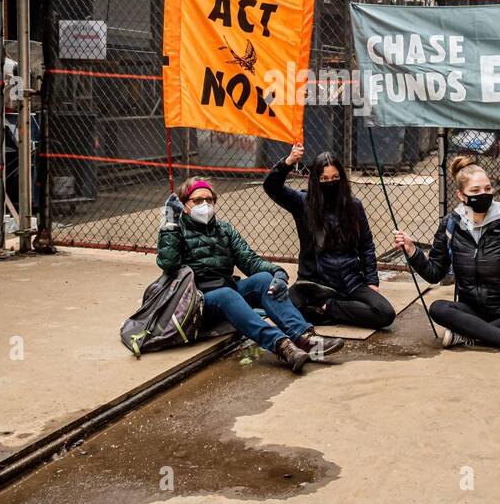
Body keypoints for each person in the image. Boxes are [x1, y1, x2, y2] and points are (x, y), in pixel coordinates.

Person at [156, 176, 344, 372]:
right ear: (184, 204)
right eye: (197, 200)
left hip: (228, 290)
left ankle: (306, 339)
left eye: (209, 200)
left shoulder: (224, 229)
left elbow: (250, 261)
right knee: (226, 294)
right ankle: (283, 346)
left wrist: (278, 273)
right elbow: (168, 263)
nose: (205, 204)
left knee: (263, 280)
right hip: (198, 300)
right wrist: (170, 224)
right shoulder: (176, 229)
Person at [394, 155, 500, 354]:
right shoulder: (450, 225)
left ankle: (469, 335)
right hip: (471, 310)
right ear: (461, 195)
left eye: (487, 189)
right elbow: (435, 273)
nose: (484, 194)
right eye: (475, 191)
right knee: (438, 308)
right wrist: (413, 251)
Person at [263, 142, 396, 329]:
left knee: (385, 313)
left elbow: (366, 245)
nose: (330, 182)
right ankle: (326, 309)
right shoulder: (302, 203)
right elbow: (271, 187)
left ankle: (330, 309)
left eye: (335, 177)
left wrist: (372, 280)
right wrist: (289, 161)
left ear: (341, 178)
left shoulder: (353, 205)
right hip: (315, 285)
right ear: (316, 181)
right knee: (277, 306)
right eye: (324, 179)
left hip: (350, 282)